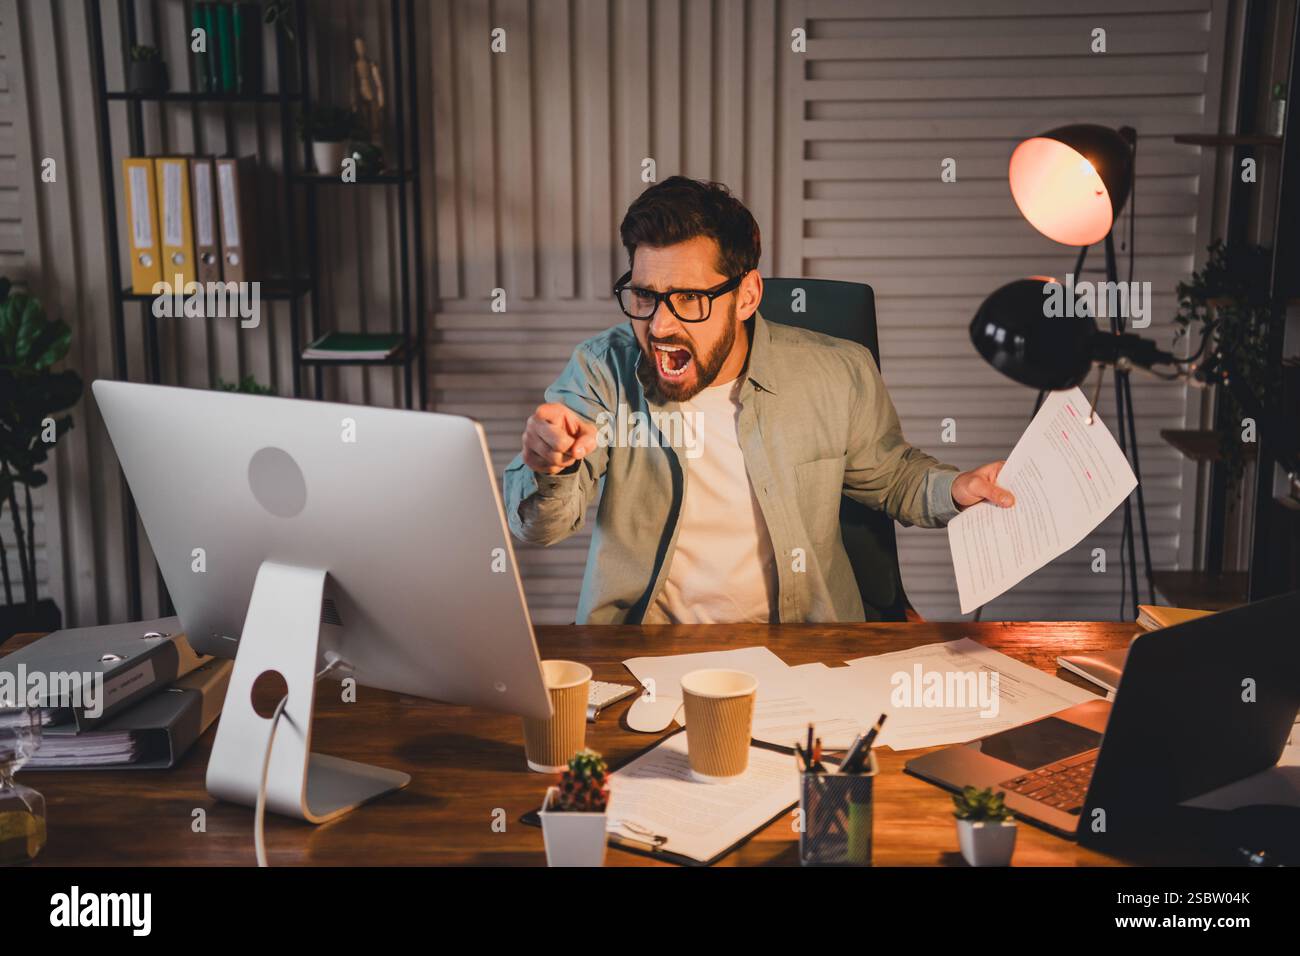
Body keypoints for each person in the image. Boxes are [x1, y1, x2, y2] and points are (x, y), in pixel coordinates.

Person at [504, 176, 1013, 625]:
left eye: (688, 299)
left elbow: (893, 477)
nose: (660, 325)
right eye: (645, 296)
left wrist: (958, 487)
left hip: (799, 649)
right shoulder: (602, 370)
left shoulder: (837, 372)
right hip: (648, 654)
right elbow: (539, 529)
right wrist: (550, 466)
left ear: (747, 296)